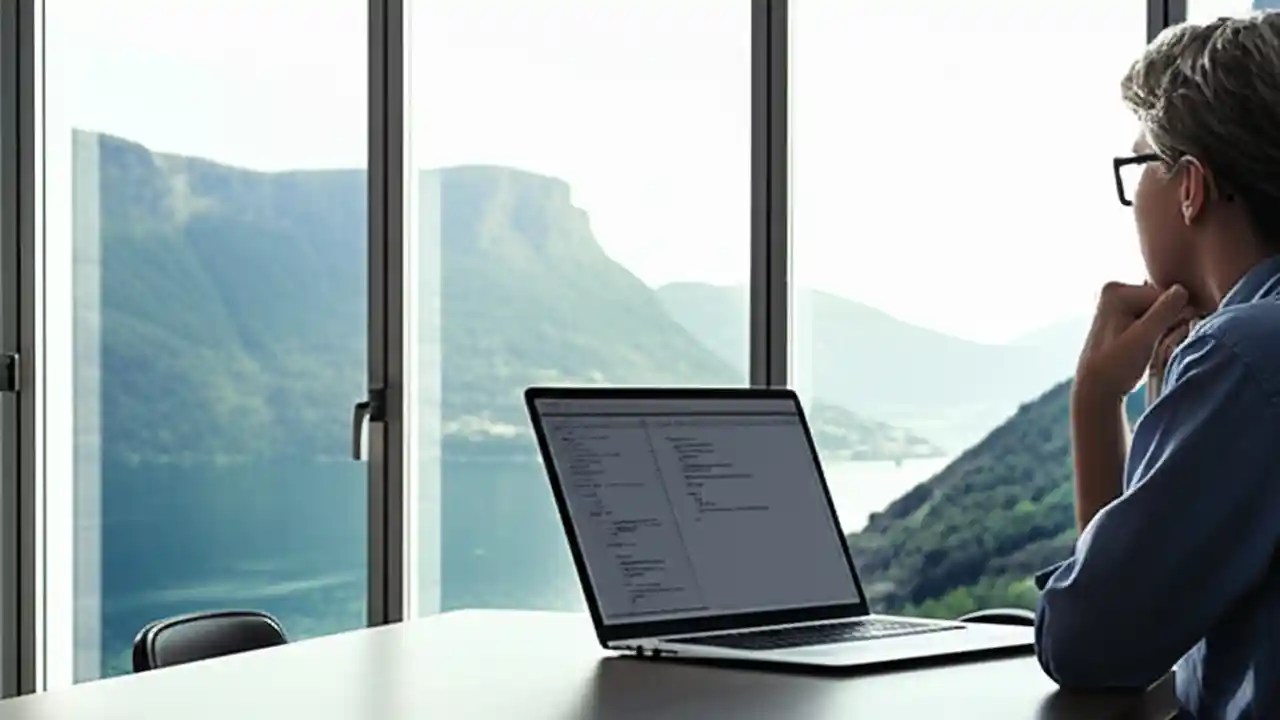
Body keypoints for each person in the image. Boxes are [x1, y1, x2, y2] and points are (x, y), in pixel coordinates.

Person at [1034, 12, 1280, 718]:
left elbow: (1094, 645)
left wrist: (1093, 402)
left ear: (1190, 187)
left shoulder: (1244, 355)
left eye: (1140, 167)